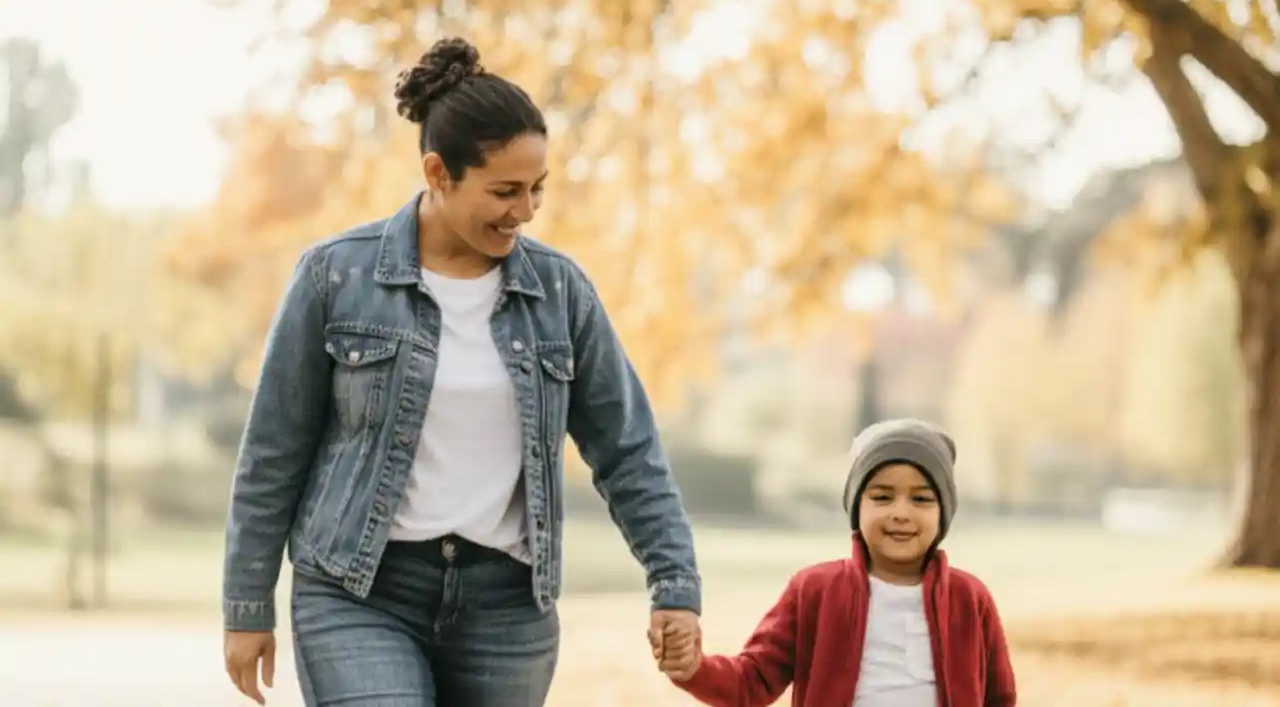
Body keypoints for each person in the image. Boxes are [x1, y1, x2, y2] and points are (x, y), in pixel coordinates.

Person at [221, 36, 701, 706]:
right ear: (438, 173)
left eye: (537, 189)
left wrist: (672, 584)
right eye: (505, 190)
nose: (526, 210)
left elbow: (629, 452)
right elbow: (273, 452)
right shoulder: (336, 276)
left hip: (506, 606)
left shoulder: (561, 294)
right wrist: (247, 605)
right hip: (359, 591)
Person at [651, 418, 1016, 706]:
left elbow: (1000, 699)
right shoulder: (814, 591)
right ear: (857, 507)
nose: (901, 513)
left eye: (921, 499)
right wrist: (694, 668)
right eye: (882, 497)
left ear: (944, 512)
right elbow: (752, 681)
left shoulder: (970, 599)